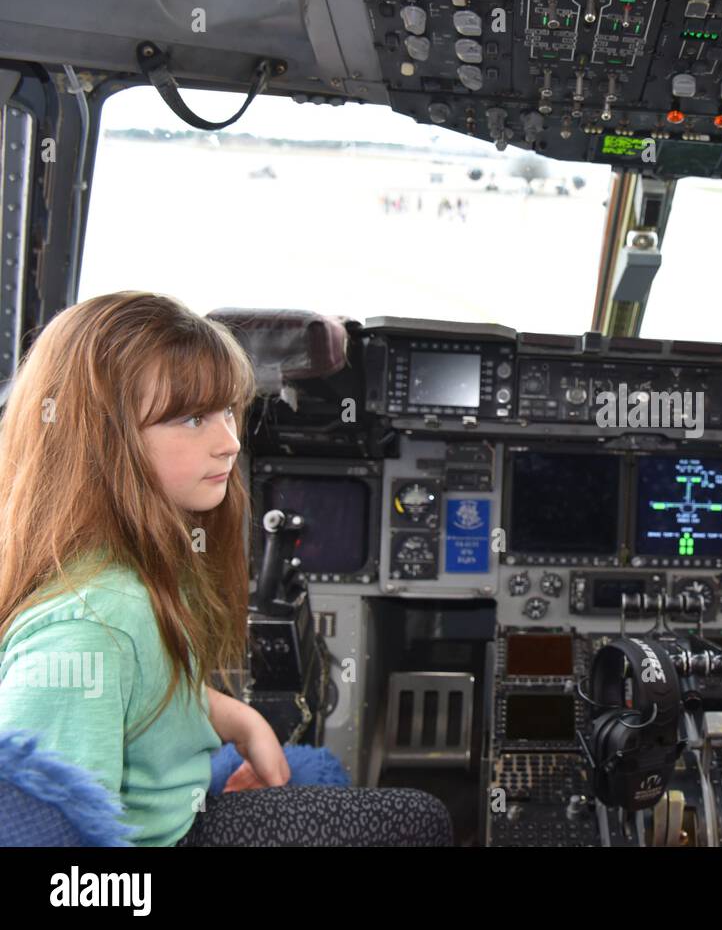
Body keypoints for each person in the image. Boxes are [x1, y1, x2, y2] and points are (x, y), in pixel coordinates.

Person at [0, 292, 450, 846]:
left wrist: (240, 720)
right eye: (192, 418)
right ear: (101, 439)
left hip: (167, 795)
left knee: (310, 769)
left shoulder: (131, 564)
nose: (231, 443)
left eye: (228, 412)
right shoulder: (92, 629)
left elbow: (141, 687)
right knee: (418, 820)